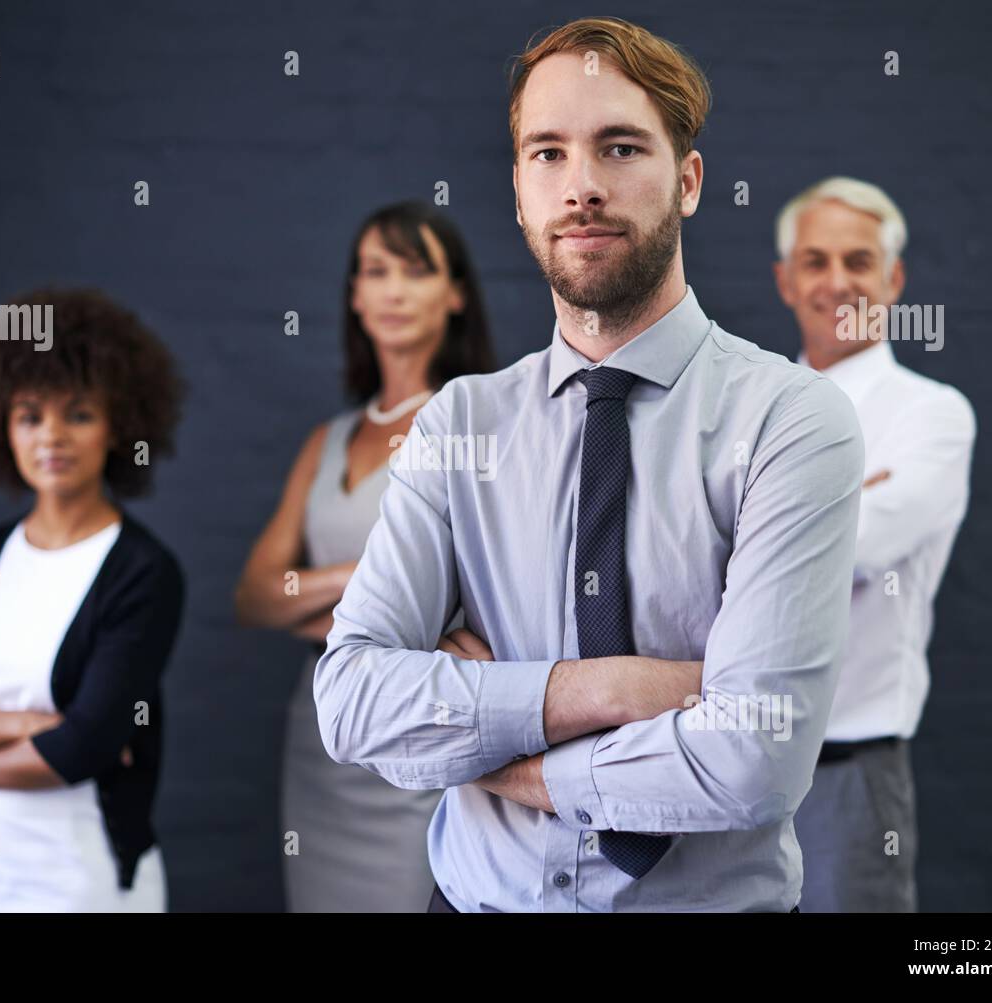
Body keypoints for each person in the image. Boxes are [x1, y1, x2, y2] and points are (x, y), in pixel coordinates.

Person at [313, 16, 866, 913]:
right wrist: (611, 689)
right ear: (522, 194)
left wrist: (503, 745)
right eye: (547, 154)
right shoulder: (461, 421)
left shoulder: (791, 421)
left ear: (686, 181)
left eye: (618, 148)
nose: (582, 188)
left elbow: (756, 758)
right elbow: (351, 701)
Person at [0, 287, 187, 912]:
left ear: (118, 427)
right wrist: (34, 725)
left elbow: (79, 752)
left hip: (89, 879)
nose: (52, 435)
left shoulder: (143, 573)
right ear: (2, 427)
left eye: (77, 413)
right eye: (30, 415)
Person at [235, 201, 496, 911]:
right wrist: (372, 585)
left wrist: (326, 608)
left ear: (456, 294)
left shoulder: (477, 422)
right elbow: (257, 593)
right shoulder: (328, 439)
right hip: (322, 740)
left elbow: (475, 603)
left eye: (415, 271)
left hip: (420, 733)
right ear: (353, 295)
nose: (392, 290)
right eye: (375, 271)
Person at [773, 177, 976, 911]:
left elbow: (853, 553)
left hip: (849, 777)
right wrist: (841, 498)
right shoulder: (746, 410)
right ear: (785, 279)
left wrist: (752, 519)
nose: (836, 281)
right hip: (727, 765)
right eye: (815, 260)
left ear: (892, 280)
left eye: (858, 261)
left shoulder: (933, 415)